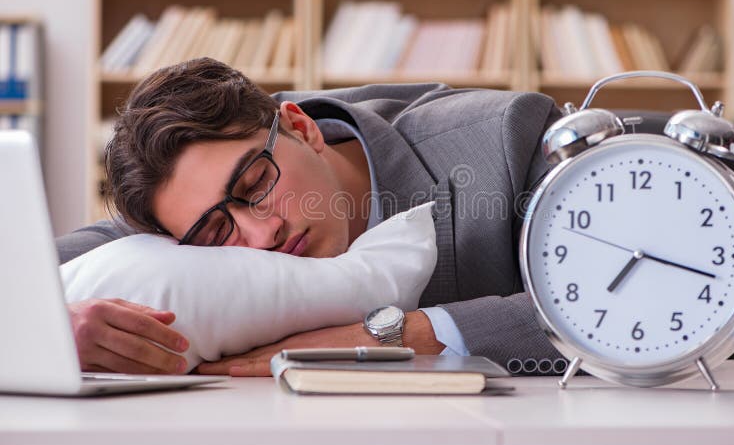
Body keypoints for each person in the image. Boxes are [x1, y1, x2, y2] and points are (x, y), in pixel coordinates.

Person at [57, 57, 565, 376]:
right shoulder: (180, 199)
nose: (262, 235)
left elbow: (611, 298)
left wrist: (403, 335)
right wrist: (58, 328)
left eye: (256, 185)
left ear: (302, 129)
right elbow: (35, 269)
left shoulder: (511, 138)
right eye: (215, 232)